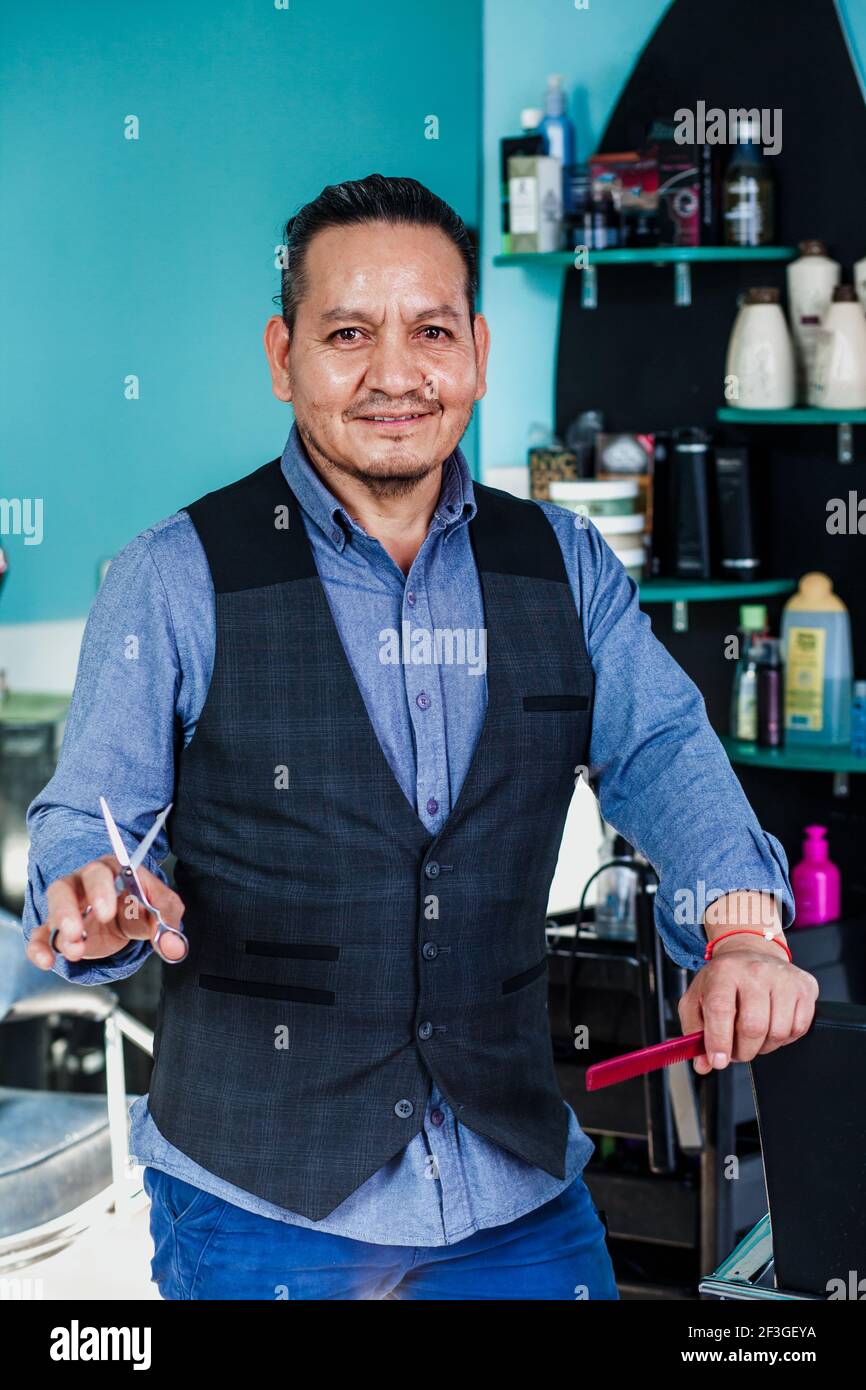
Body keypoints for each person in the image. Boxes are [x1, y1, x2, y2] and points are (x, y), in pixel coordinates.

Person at [23, 175, 817, 1301]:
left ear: (477, 352)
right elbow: (83, 818)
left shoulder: (564, 566)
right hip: (263, 1210)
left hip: (513, 1190)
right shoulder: (176, 575)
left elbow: (663, 753)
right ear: (281, 353)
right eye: (347, 332)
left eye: (430, 331)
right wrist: (94, 893)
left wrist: (738, 931)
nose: (394, 374)